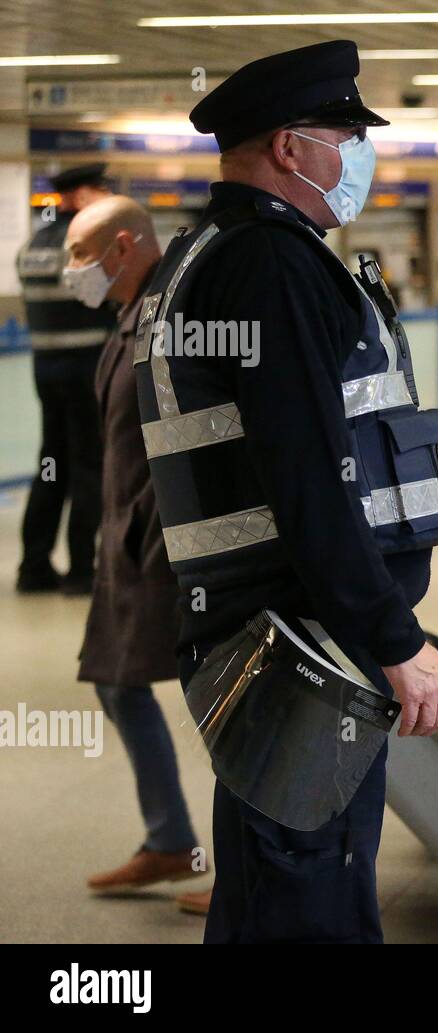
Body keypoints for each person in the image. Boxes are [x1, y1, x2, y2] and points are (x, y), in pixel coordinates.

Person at [137, 39, 438, 943]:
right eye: (346, 134)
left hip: (261, 631)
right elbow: (313, 481)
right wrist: (393, 639)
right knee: (312, 900)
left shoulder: (199, 257)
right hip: (306, 641)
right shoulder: (272, 265)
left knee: (266, 891)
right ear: (290, 148)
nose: (359, 153)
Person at [65, 196, 207, 911]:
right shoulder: (130, 316)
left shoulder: (176, 313)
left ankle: (252, 865)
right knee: (118, 680)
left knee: (216, 695)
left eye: (82, 255)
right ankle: (170, 840)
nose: (72, 272)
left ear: (125, 245)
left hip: (167, 545)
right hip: (126, 539)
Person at [14, 163, 115, 594]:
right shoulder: (84, 241)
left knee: (51, 465)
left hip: (46, 369)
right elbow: (101, 298)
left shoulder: (34, 244)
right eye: (99, 192)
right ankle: (80, 571)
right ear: (80, 196)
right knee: (89, 466)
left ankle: (33, 568)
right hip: (85, 370)